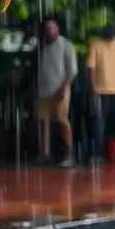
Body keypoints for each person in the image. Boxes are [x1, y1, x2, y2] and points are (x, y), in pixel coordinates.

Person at [36, 16, 78, 167]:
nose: (48, 30)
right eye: (46, 28)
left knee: (62, 121)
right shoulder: (44, 47)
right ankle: (45, 154)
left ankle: (69, 153)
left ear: (57, 29)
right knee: (43, 121)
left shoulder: (66, 45)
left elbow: (72, 71)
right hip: (43, 91)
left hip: (60, 90)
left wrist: (64, 87)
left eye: (51, 27)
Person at [86, 24, 115, 159]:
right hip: (100, 90)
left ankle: (114, 153)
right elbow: (91, 69)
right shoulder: (95, 44)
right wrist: (92, 89)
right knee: (99, 123)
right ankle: (100, 152)